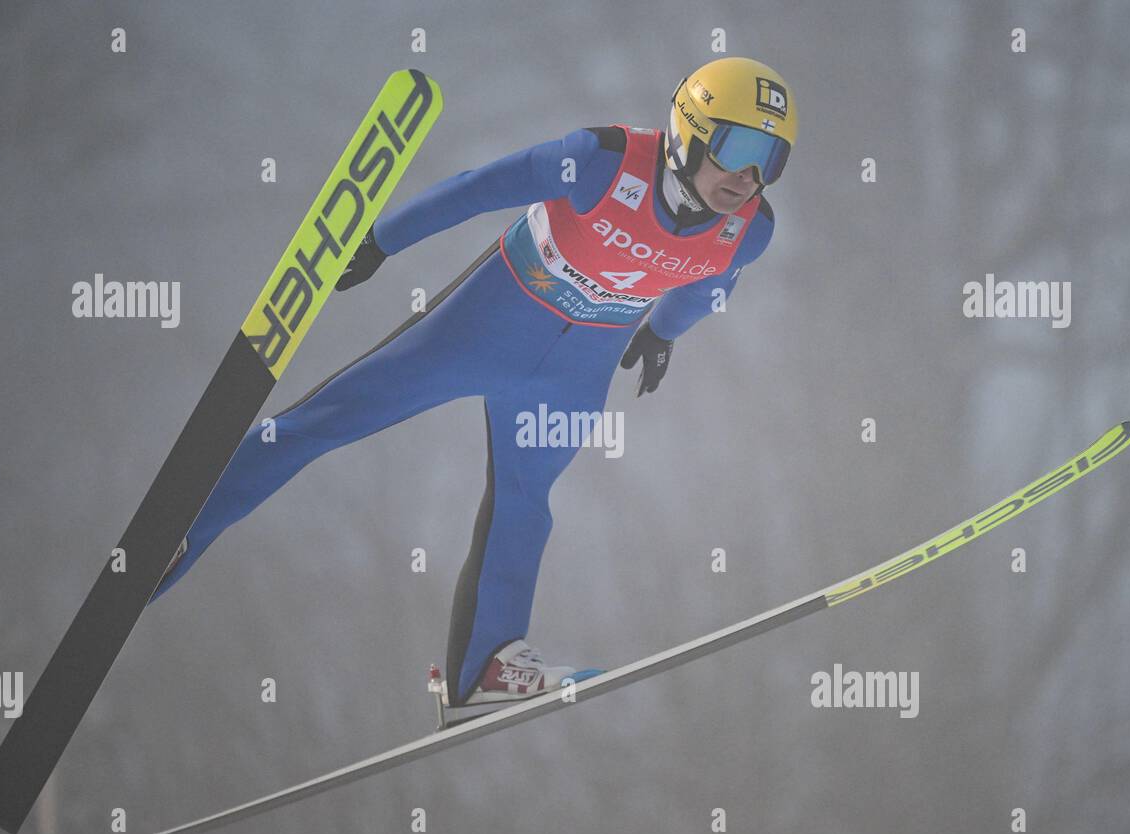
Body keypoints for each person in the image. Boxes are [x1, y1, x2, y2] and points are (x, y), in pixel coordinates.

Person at [151, 56, 798, 706]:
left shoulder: (752, 228)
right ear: (688, 130)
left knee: (526, 501)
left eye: (769, 160)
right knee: (331, 419)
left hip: (574, 373)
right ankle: (182, 528)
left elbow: (708, 282)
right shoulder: (602, 160)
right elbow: (477, 188)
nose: (747, 177)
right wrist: (382, 240)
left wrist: (662, 334)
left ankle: (484, 668)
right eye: (738, 147)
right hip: (488, 326)